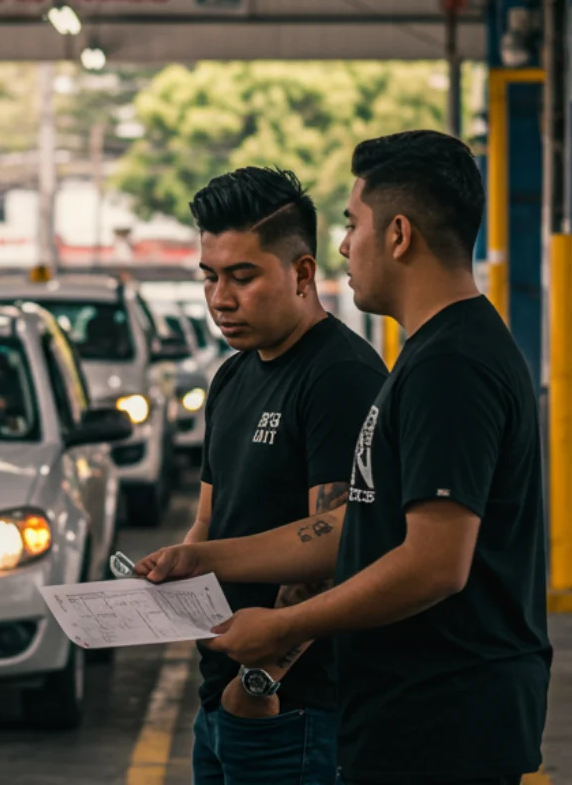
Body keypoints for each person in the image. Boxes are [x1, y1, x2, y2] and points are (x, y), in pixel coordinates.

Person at [137, 131, 551, 785]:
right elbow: (357, 528)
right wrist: (203, 558)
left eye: (354, 224)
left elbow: (435, 563)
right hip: (411, 716)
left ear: (399, 235)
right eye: (211, 277)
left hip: (442, 721)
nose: (344, 245)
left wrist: (277, 638)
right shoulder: (432, 356)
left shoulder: (449, 367)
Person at [182, 166, 387, 784]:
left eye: (243, 277)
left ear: (302, 274)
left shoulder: (340, 376)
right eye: (210, 276)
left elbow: (336, 544)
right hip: (220, 699)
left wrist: (260, 680)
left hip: (294, 707)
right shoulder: (232, 376)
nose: (221, 298)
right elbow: (209, 521)